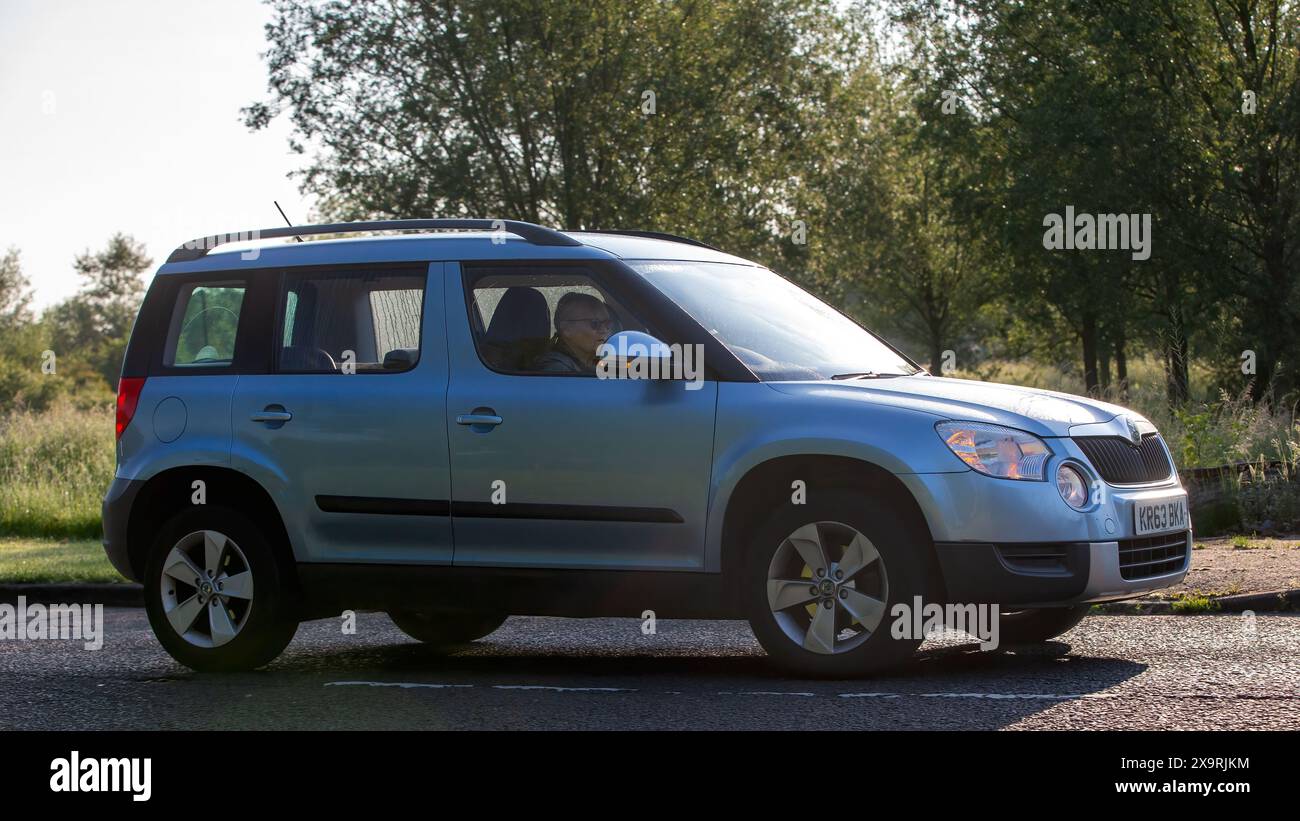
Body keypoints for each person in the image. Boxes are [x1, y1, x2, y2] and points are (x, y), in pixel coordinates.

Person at [533, 292, 614, 374]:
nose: (604, 330)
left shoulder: (597, 362)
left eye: (607, 324)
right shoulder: (557, 370)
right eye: (595, 323)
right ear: (567, 329)